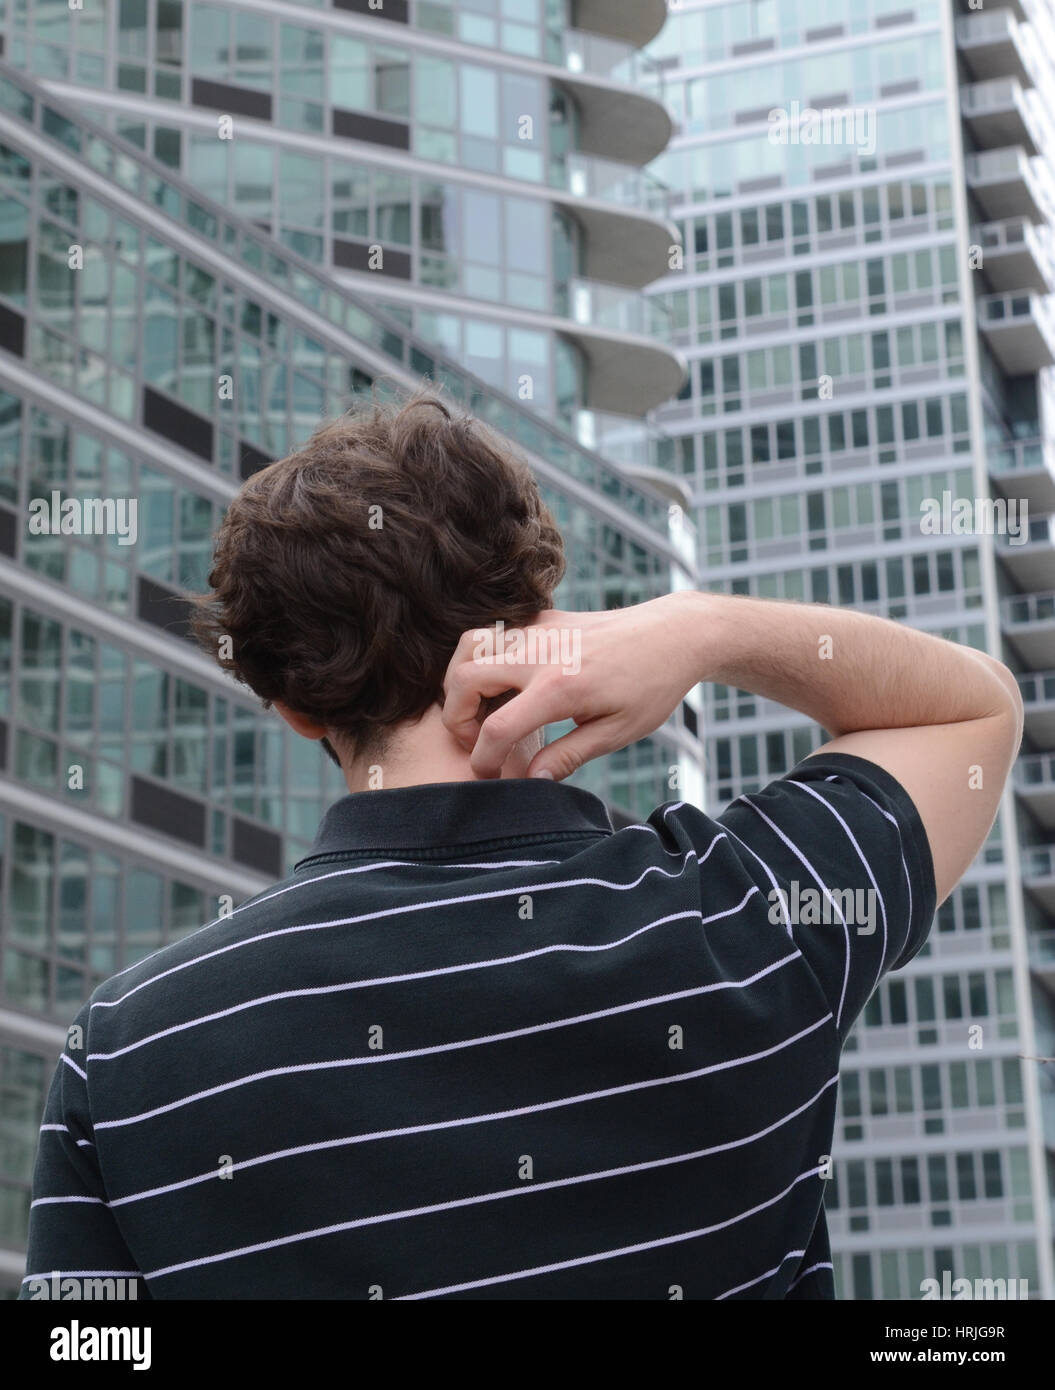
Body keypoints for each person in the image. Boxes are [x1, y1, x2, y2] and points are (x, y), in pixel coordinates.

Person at [20, 391, 1022, 1300]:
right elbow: (969, 712)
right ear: (547, 632)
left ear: (288, 705)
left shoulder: (126, 1047)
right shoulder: (740, 913)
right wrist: (698, 629)